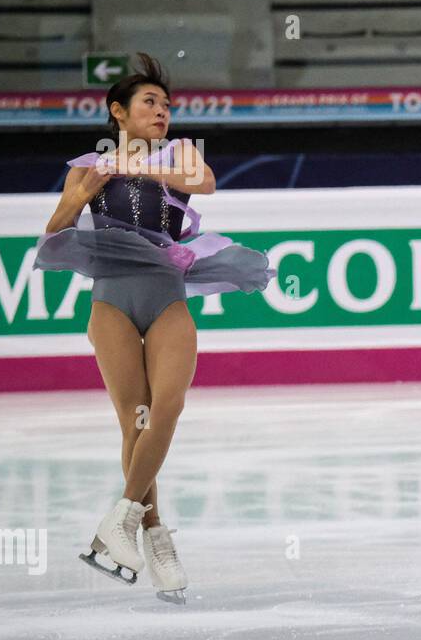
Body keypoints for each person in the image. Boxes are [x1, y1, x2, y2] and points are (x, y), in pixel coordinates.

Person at [34, 52, 274, 603]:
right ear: (118, 111)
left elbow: (206, 182)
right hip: (112, 300)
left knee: (168, 406)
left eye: (166, 104)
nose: (162, 111)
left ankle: (118, 519)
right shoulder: (86, 165)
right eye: (150, 103)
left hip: (167, 297)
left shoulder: (180, 154)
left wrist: (129, 165)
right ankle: (155, 536)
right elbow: (54, 231)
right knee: (135, 421)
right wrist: (80, 195)